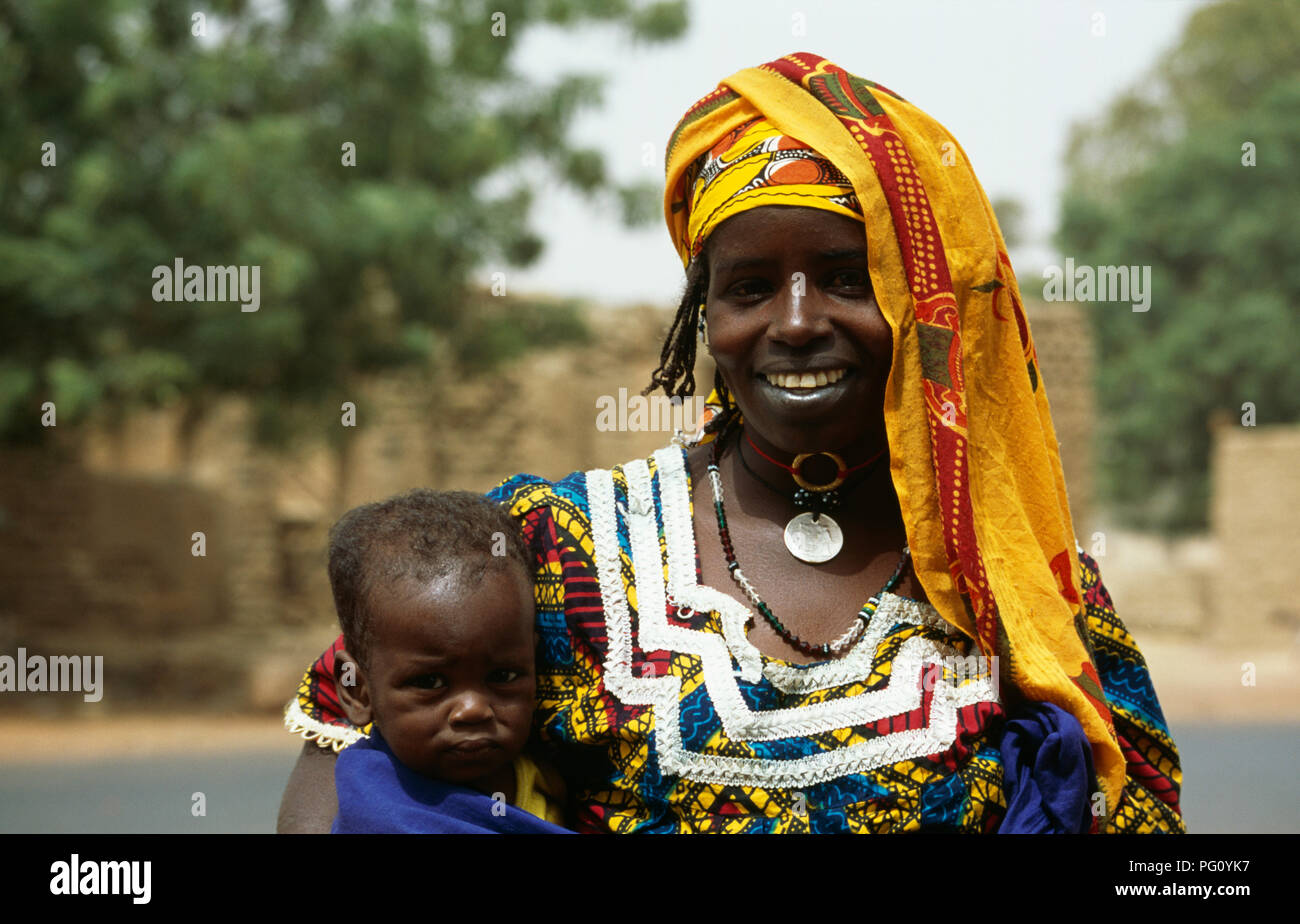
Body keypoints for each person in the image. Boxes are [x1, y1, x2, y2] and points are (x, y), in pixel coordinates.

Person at [278, 53, 1184, 834]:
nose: (795, 323)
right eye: (751, 287)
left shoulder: (1018, 588)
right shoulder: (555, 550)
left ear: (921, 307)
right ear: (704, 315)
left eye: (846, 278)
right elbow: (344, 766)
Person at [322, 489, 568, 833]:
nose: (472, 710)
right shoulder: (377, 810)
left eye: (503, 675)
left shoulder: (545, 774)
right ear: (357, 691)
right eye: (430, 682)